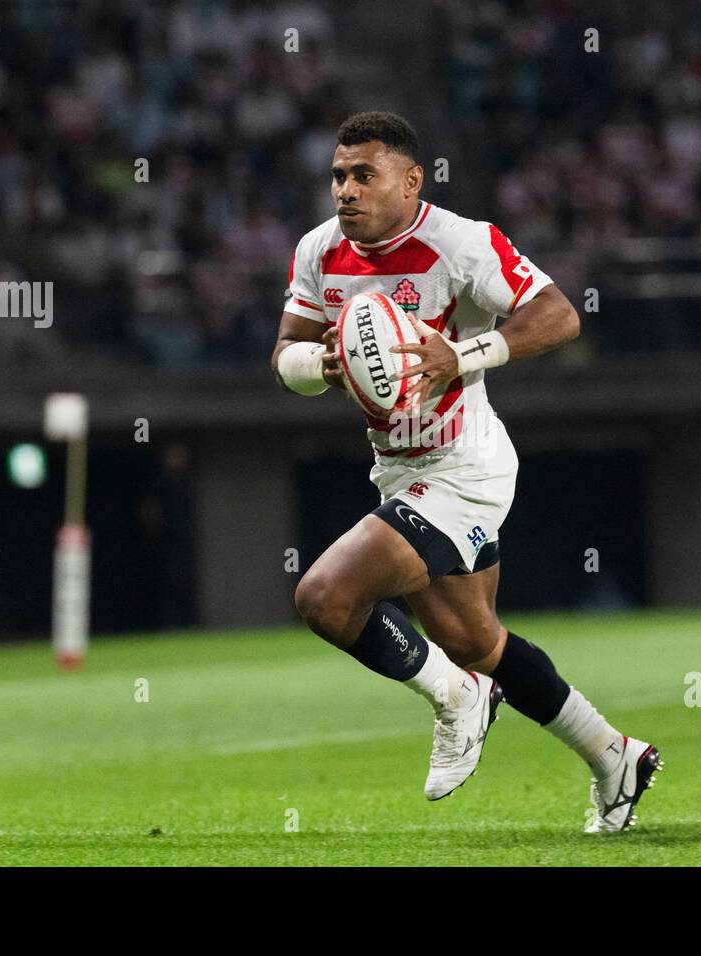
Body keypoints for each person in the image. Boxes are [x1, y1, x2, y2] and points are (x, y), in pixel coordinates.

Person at [271, 111, 660, 831]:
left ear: (411, 180)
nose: (346, 192)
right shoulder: (319, 251)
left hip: (465, 467)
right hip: (397, 468)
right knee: (476, 641)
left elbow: (559, 316)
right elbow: (286, 352)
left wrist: (464, 355)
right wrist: (315, 367)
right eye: (338, 176)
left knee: (324, 597)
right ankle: (616, 756)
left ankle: (457, 698)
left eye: (364, 175)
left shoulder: (460, 241)